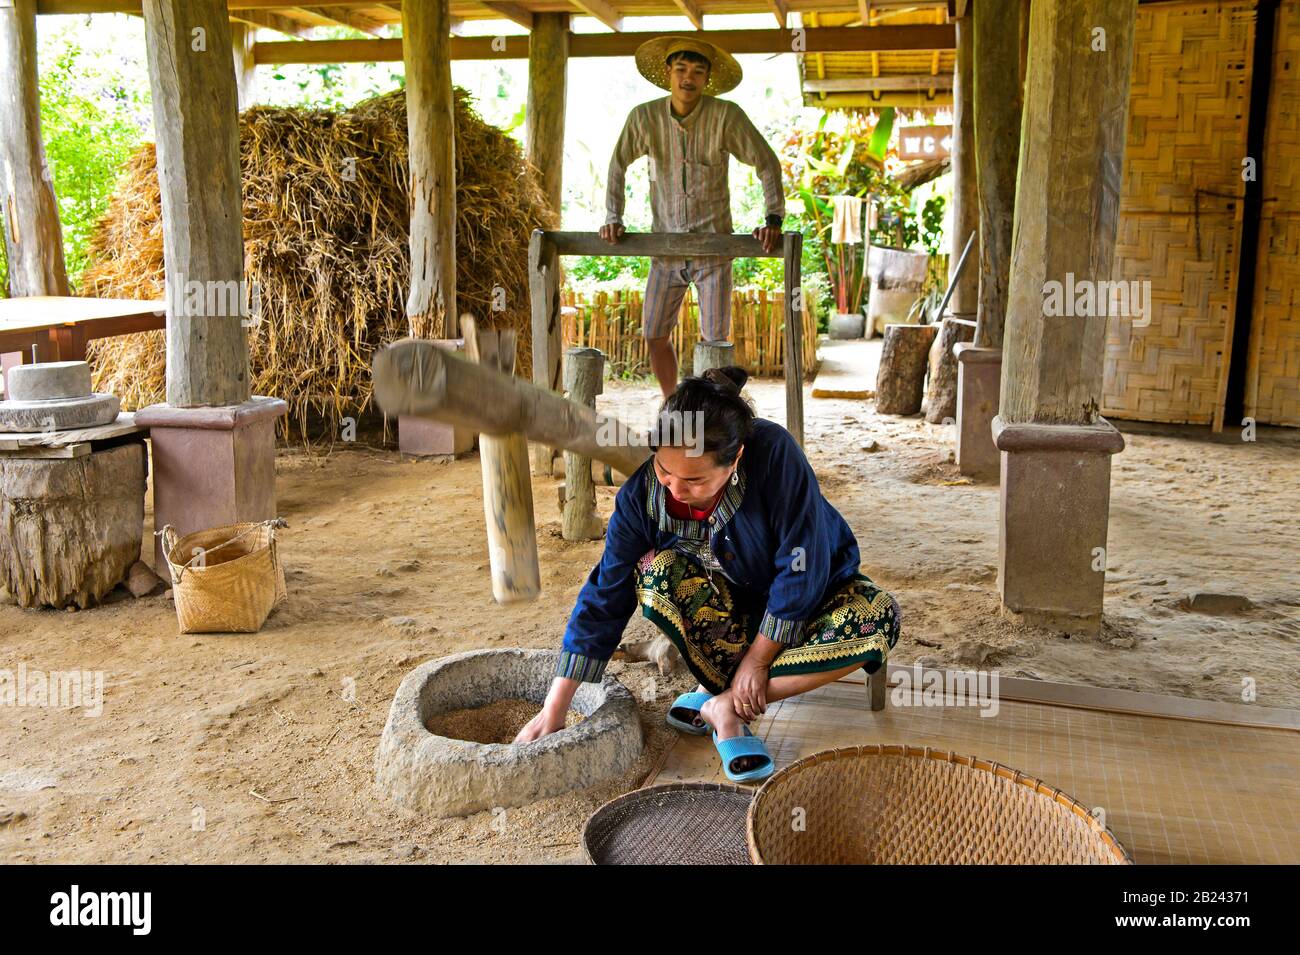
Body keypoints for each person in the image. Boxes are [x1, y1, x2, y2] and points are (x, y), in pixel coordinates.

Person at [516, 368, 902, 783]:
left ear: (734, 459)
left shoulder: (773, 455)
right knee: (655, 570)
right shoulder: (642, 497)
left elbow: (802, 563)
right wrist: (553, 710)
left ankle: (724, 704)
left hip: (817, 594)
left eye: (695, 479)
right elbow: (604, 595)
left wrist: (758, 660)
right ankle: (720, 690)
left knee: (878, 615)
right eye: (665, 470)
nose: (675, 489)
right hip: (730, 609)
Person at [600, 36, 786, 399]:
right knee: (654, 331)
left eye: (698, 72)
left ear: (706, 79)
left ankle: (709, 415)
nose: (689, 78)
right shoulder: (644, 117)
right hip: (665, 249)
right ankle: (672, 402)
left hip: (714, 251)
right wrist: (612, 215)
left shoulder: (726, 116)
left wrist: (773, 220)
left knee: (715, 344)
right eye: (681, 69)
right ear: (668, 72)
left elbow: (767, 162)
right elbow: (617, 164)